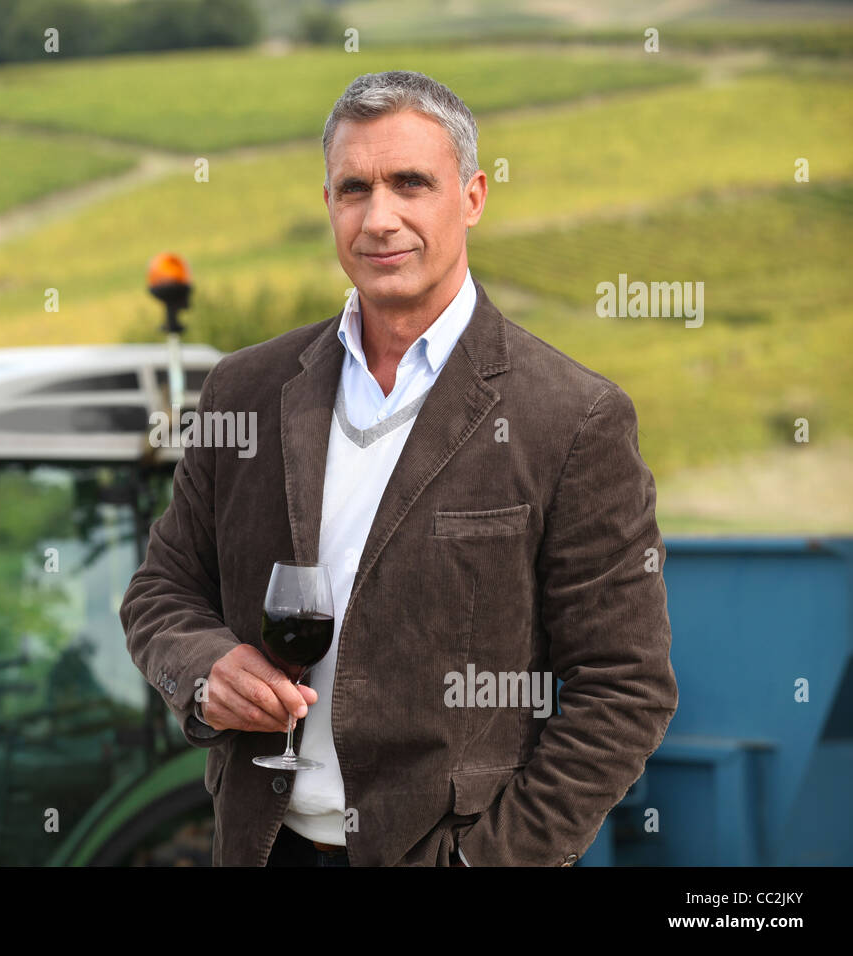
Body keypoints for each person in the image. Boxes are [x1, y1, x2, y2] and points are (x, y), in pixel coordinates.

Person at [120, 70, 678, 867]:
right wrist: (207, 670)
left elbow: (625, 689)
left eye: (410, 183)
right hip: (260, 846)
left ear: (473, 196)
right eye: (354, 189)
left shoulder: (573, 418)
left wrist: (490, 861)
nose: (380, 218)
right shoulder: (245, 389)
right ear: (328, 205)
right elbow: (160, 591)